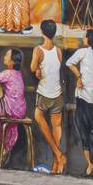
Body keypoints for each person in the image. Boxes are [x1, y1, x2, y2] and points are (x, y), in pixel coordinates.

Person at [66, 29, 93, 178]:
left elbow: (69, 63)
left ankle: (90, 164)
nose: (83, 38)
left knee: (84, 132)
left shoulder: (82, 52)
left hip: (83, 99)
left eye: (84, 37)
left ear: (87, 39)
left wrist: (79, 77)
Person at [31, 20, 66, 174]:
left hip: (44, 92)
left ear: (42, 32)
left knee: (38, 116)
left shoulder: (38, 50)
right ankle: (56, 164)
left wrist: (38, 69)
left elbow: (33, 67)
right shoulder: (58, 50)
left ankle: (58, 154)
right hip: (57, 93)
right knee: (56, 126)